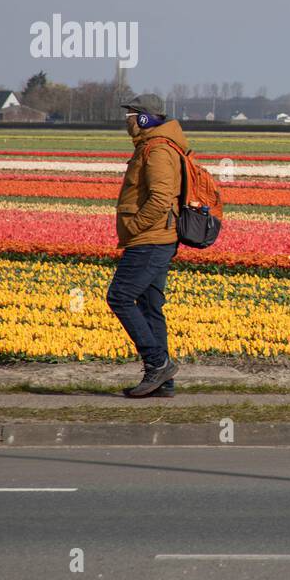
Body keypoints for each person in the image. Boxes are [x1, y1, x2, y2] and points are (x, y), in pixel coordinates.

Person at [109, 93, 188, 398]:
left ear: (143, 118)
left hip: (150, 240)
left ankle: (158, 363)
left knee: (119, 297)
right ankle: (162, 382)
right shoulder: (152, 146)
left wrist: (134, 226)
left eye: (130, 116)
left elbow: (160, 198)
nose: (127, 122)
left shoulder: (157, 151)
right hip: (154, 239)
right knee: (150, 306)